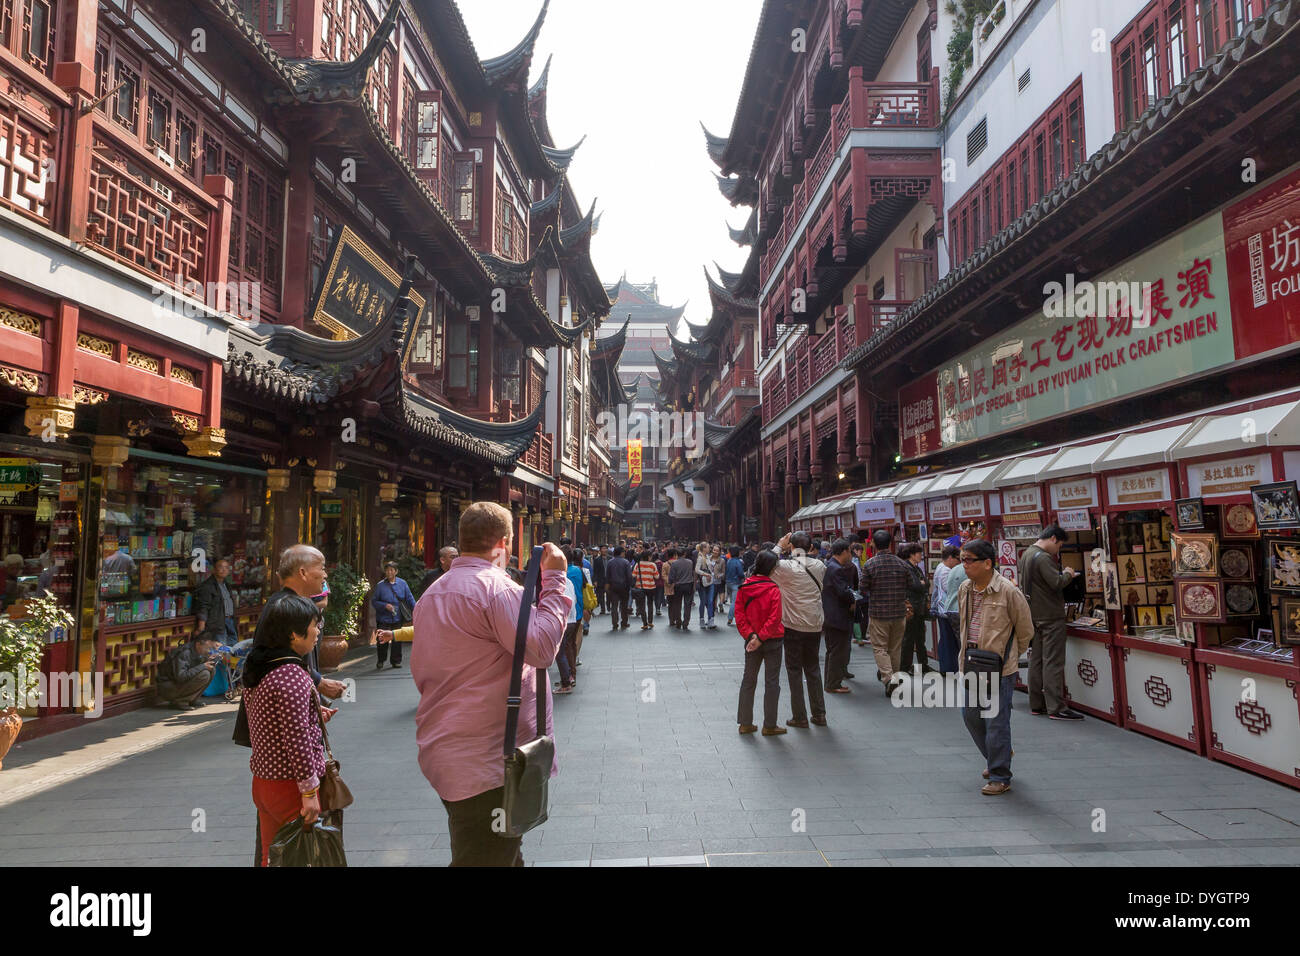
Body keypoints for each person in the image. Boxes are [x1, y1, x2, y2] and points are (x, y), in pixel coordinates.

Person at [412, 503, 570, 866]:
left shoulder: (432, 594)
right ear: (504, 542)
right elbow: (542, 649)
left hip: (448, 750)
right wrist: (556, 580)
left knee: (496, 851)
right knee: (486, 854)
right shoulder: (497, 589)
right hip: (489, 760)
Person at [243, 594, 334, 865]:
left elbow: (270, 722)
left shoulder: (261, 669)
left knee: (272, 856)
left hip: (264, 781)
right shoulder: (292, 675)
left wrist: (313, 716)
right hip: (290, 786)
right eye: (314, 625)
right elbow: (298, 740)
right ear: (294, 634)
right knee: (302, 857)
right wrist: (308, 794)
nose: (318, 631)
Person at [957, 539, 1034, 795]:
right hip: (972, 664)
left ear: (987, 563)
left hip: (999, 668)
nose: (964, 565)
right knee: (970, 716)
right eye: (963, 559)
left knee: (996, 722)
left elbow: (1025, 631)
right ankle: (997, 752)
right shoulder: (965, 589)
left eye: (969, 560)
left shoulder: (1008, 592)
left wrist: (1009, 656)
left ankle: (1000, 776)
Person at [258, 545, 346, 704]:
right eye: (322, 568)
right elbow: (281, 660)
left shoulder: (290, 603)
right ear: (303, 572)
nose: (325, 574)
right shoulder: (287, 607)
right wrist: (319, 682)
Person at [1018, 525, 1084, 720]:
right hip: (1050, 616)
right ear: (1053, 538)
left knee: (1036, 660)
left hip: (1035, 615)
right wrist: (1068, 574)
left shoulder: (1027, 554)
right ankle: (1056, 707)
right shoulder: (1044, 558)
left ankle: (1037, 703)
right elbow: (1056, 583)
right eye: (1060, 545)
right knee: (1053, 661)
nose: (1059, 549)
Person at [771, 532, 827, 728]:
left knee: (794, 670)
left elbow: (765, 565)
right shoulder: (820, 566)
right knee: (813, 669)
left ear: (791, 547)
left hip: (793, 625)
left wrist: (779, 546)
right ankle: (819, 714)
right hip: (814, 624)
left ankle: (800, 716)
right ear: (811, 547)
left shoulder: (785, 568)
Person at [734, 550, 786, 736]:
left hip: (751, 642)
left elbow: (739, 615)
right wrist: (761, 637)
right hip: (772, 641)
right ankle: (770, 725)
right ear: (772, 568)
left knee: (748, 680)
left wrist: (751, 636)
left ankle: (745, 723)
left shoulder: (744, 588)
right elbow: (775, 618)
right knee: (772, 682)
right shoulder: (773, 590)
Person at [859, 529, 912, 696]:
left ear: (873, 543)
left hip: (878, 613)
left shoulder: (870, 564)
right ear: (890, 543)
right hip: (898, 612)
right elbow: (910, 584)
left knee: (880, 648)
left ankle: (888, 678)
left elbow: (863, 588)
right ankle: (894, 680)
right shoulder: (902, 564)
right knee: (895, 648)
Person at [822, 539, 859, 693]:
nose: (850, 555)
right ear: (844, 551)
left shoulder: (830, 566)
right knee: (837, 650)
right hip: (838, 616)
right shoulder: (837, 569)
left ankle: (831, 681)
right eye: (849, 552)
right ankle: (833, 683)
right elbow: (844, 592)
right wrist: (854, 597)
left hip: (830, 615)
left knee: (832, 650)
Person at [154, 631, 222, 709]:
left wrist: (208, 659)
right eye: (208, 648)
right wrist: (203, 666)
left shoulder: (197, 651)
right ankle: (181, 701)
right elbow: (181, 676)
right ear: (198, 644)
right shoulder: (185, 652)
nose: (209, 650)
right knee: (204, 674)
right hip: (167, 687)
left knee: (211, 670)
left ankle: (192, 699)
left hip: (177, 685)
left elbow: (193, 668)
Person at [898, 543, 935, 675]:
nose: (921, 555)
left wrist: (923, 584)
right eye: (919, 553)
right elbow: (916, 585)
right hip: (911, 608)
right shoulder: (907, 568)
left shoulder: (916, 568)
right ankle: (905, 666)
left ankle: (923, 665)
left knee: (920, 638)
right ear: (912, 555)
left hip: (919, 607)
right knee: (909, 639)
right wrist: (922, 584)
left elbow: (926, 583)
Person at [371, 561, 415, 669]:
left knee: (397, 637)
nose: (389, 572)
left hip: (397, 616)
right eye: (387, 570)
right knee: (381, 639)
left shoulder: (402, 583)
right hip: (383, 617)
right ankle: (381, 660)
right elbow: (374, 601)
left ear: (396, 571)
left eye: (391, 570)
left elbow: (409, 598)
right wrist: (385, 605)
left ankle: (396, 661)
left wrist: (416, 609)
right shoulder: (380, 585)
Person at [931, 544, 963, 674]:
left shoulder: (940, 567)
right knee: (948, 640)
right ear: (950, 558)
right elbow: (949, 589)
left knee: (945, 639)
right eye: (957, 559)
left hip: (942, 609)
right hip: (947, 610)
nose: (958, 563)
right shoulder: (945, 571)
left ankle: (947, 667)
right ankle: (949, 668)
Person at [195, 557, 238, 644]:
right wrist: (201, 627)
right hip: (217, 624)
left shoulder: (226, 584)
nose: (224, 570)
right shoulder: (207, 586)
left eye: (226, 567)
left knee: (232, 649)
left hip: (230, 621)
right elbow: (203, 606)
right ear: (214, 570)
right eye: (221, 567)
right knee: (219, 651)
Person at [605, 545, 632, 631]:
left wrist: (607, 585)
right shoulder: (626, 562)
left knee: (614, 606)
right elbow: (629, 576)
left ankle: (614, 623)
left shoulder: (610, 562)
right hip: (624, 587)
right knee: (624, 606)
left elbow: (607, 576)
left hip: (613, 587)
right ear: (621, 553)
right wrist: (630, 585)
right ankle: (624, 622)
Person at [666, 547, 695, 629]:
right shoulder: (690, 562)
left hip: (678, 585)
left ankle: (678, 621)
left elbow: (671, 577)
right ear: (684, 554)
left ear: (676, 555)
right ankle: (686, 622)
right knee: (687, 604)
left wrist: (670, 583)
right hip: (688, 584)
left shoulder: (674, 564)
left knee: (677, 604)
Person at [633, 550, 658, 629]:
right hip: (651, 587)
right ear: (648, 557)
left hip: (640, 587)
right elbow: (657, 576)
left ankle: (645, 623)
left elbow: (633, 575)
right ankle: (650, 621)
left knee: (641, 606)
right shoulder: (653, 565)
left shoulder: (638, 564)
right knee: (650, 604)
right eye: (650, 556)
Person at [695, 542, 717, 629]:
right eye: (708, 547)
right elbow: (696, 570)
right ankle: (702, 620)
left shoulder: (708, 557)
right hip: (703, 582)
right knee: (703, 601)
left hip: (710, 581)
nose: (709, 549)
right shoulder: (700, 558)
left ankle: (711, 620)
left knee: (710, 601)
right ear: (704, 548)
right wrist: (705, 574)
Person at [724, 546, 745, 625]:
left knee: (732, 600)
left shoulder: (729, 560)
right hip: (736, 583)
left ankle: (733, 615)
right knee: (734, 602)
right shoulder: (738, 562)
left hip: (728, 582)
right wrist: (743, 576)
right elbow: (740, 573)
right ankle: (730, 618)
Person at [591, 545, 609, 615]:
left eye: (605, 548)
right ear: (600, 550)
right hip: (601, 579)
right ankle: (603, 609)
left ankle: (608, 606)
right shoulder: (597, 560)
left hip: (609, 579)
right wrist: (595, 580)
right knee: (600, 595)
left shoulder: (610, 558)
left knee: (609, 594)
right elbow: (595, 571)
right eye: (603, 549)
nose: (604, 550)